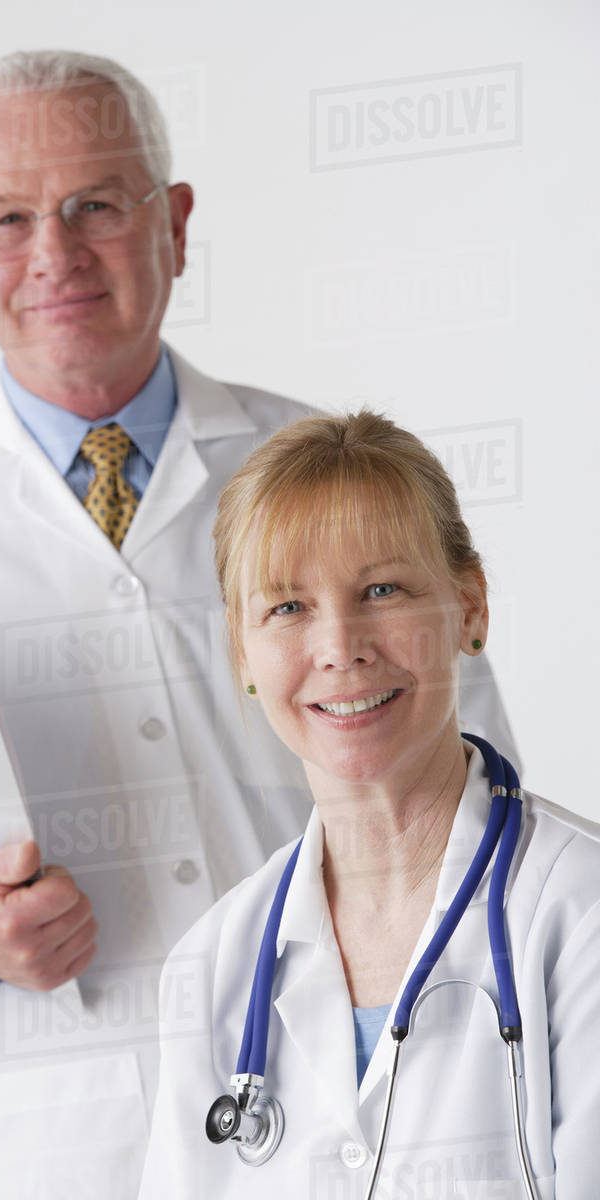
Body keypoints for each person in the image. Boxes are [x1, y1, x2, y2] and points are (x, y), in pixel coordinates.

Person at [0, 51, 516, 1200]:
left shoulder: (324, 472)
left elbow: (470, 766)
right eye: (6, 219)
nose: (54, 253)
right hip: (45, 1137)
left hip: (348, 1092)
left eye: (95, 204)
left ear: (173, 223)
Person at [139, 411, 600, 1200]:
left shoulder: (578, 914)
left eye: (382, 590)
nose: (340, 647)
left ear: (471, 607)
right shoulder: (212, 965)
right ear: (242, 651)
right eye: (288, 607)